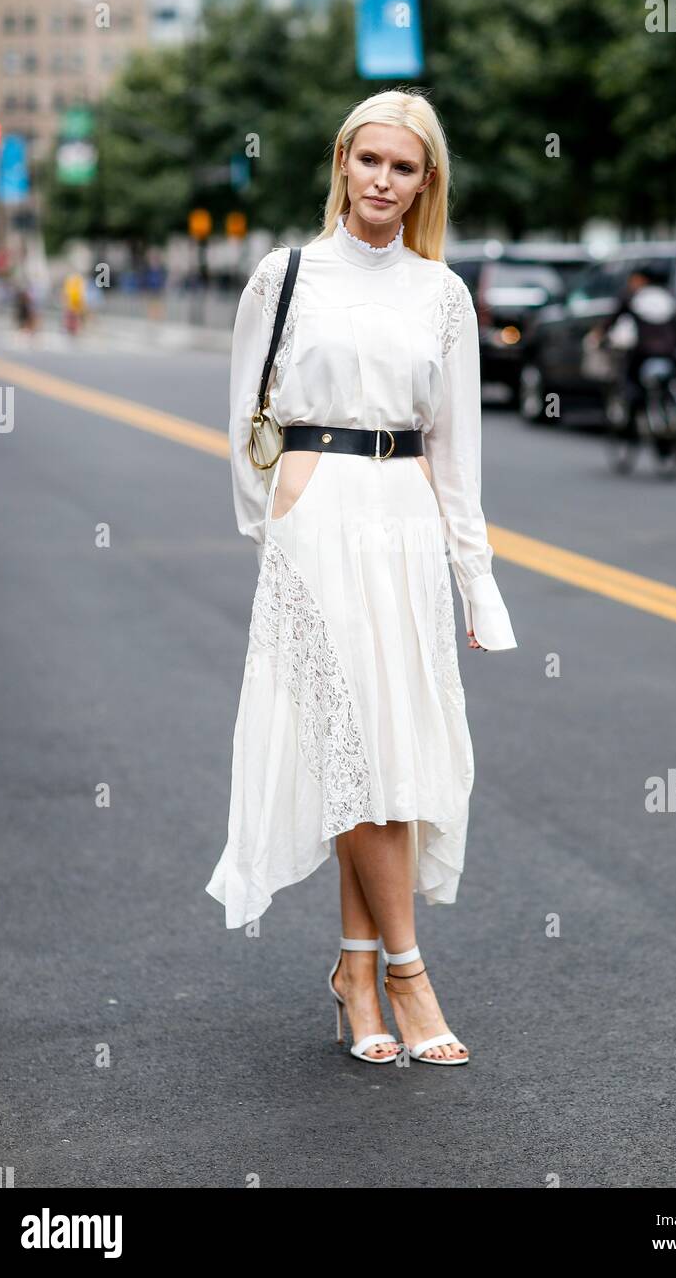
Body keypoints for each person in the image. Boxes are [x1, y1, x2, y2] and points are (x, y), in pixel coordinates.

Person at [205, 89, 518, 1066]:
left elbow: (456, 453)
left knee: (386, 760)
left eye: (404, 167)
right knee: (356, 752)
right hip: (314, 532)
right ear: (342, 162)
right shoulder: (281, 275)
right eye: (369, 160)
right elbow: (240, 427)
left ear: (426, 182)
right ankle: (408, 975)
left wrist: (477, 583)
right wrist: (279, 532)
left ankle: (353, 967)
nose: (383, 180)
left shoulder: (443, 295)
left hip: (405, 531)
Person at [600, 265, 676, 439]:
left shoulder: (633, 297)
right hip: (670, 353)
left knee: (631, 384)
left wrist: (599, 337)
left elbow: (613, 319)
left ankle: (631, 422)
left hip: (643, 353)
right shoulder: (668, 297)